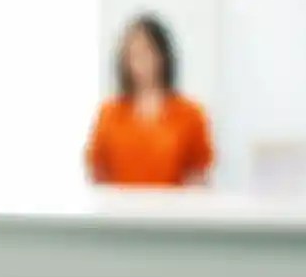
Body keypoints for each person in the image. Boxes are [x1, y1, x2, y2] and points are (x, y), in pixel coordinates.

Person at [86, 15, 214, 186]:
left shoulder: (190, 113)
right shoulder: (109, 113)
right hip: (119, 209)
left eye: (146, 52)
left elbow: (199, 174)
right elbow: (97, 172)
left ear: (162, 56)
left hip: (174, 209)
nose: (139, 62)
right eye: (131, 54)